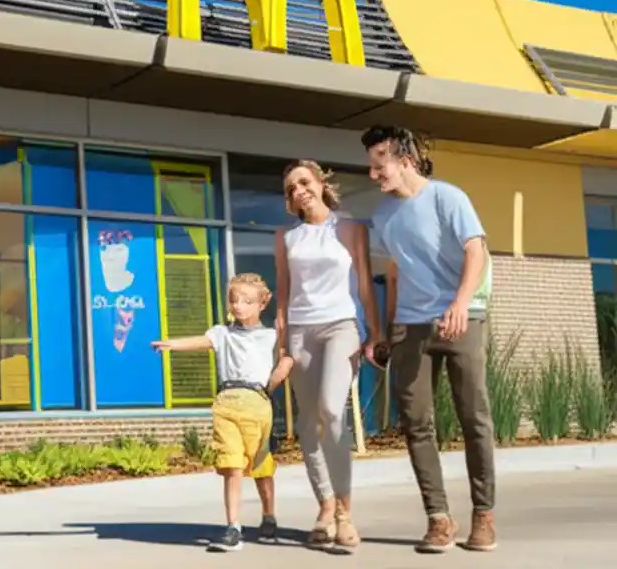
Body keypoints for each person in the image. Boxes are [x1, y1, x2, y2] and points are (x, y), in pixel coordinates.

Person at [361, 124, 496, 554]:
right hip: (412, 325)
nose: (374, 174)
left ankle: (484, 514)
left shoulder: (447, 197)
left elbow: (475, 250)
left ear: (405, 160)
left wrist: (460, 302)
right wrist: (385, 331)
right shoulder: (383, 217)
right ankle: (439, 518)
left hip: (462, 317)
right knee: (415, 422)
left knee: (473, 416)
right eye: (371, 166)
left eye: (379, 164)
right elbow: (396, 273)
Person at [273, 160, 381, 552]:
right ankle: (325, 506)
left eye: (304, 182)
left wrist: (376, 332)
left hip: (342, 326)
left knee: (332, 411)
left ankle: (345, 513)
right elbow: (283, 295)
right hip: (301, 331)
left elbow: (366, 286)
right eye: (290, 189)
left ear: (321, 183)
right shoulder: (286, 237)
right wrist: (282, 343)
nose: (298, 190)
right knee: (308, 421)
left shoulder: (350, 229)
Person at [153, 273, 294, 553]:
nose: (239, 306)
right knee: (232, 465)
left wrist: (274, 382)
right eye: (234, 300)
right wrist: (171, 344)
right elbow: (199, 341)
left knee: (261, 467)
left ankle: (268, 515)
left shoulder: (271, 336)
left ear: (261, 304)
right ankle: (233, 527)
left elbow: (287, 359)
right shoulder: (221, 333)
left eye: (246, 301)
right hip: (226, 402)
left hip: (257, 402)